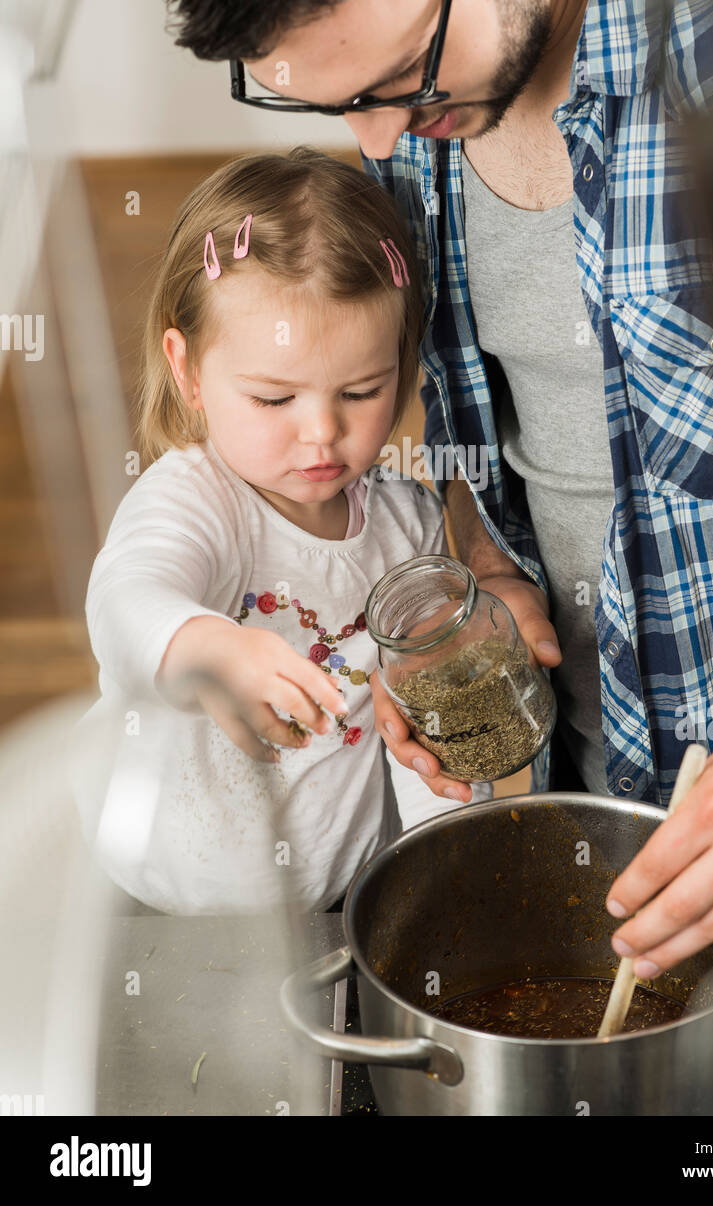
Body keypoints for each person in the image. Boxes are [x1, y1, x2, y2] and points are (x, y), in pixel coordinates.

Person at [139, 0, 713, 976]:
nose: (375, 138)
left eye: (399, 87)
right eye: (327, 101)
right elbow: (530, 420)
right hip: (611, 836)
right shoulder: (429, 99)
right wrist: (477, 578)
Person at [74, 148, 491, 915]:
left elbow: (423, 732)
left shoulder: (410, 528)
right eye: (273, 399)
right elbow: (127, 601)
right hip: (151, 894)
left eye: (361, 391)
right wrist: (209, 651)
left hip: (331, 896)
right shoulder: (197, 499)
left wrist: (452, 864)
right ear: (188, 371)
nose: (322, 435)